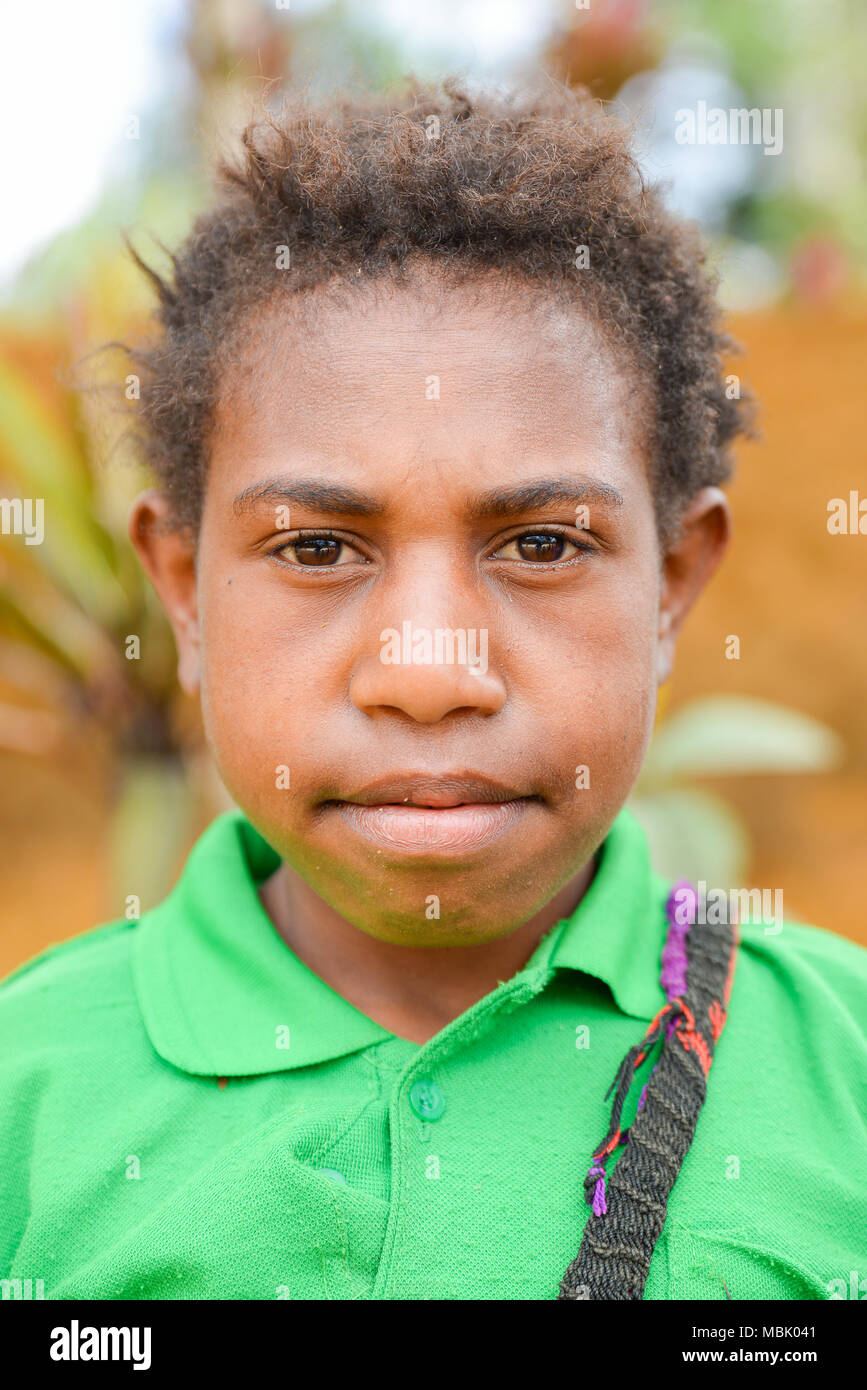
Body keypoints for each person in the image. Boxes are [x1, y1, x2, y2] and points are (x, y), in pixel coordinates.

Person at [1, 77, 864, 1301]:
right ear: (184, 593)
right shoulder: (26, 1099)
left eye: (544, 544)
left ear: (674, 583)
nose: (429, 672)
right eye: (315, 548)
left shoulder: (844, 1071)